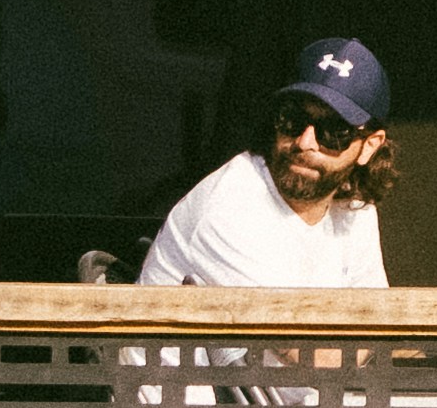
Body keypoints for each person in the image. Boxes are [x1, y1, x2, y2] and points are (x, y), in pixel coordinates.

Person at [140, 38, 401, 287]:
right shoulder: (230, 206)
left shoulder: (354, 208)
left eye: (333, 131)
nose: (305, 142)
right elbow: (289, 331)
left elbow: (374, 320)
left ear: (370, 145)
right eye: (293, 120)